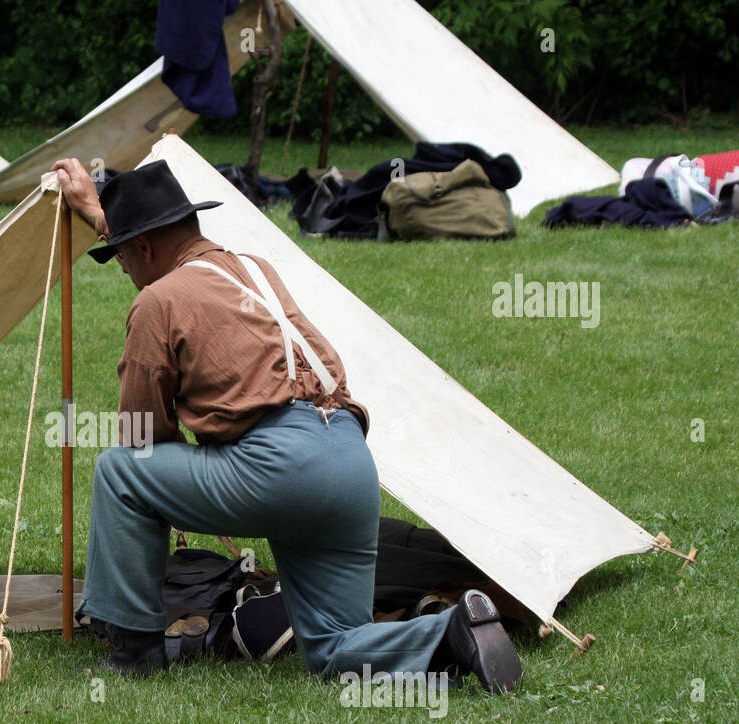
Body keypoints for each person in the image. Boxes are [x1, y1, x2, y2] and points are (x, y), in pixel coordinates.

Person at [50, 156, 522, 692]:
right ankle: (452, 633)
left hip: (278, 470)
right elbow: (161, 263)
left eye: (123, 258)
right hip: (348, 463)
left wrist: (183, 474)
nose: (127, 274)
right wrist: (98, 213)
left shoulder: (157, 301)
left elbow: (142, 438)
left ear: (145, 249)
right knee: (331, 648)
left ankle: (134, 650)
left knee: (120, 471)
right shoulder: (254, 269)